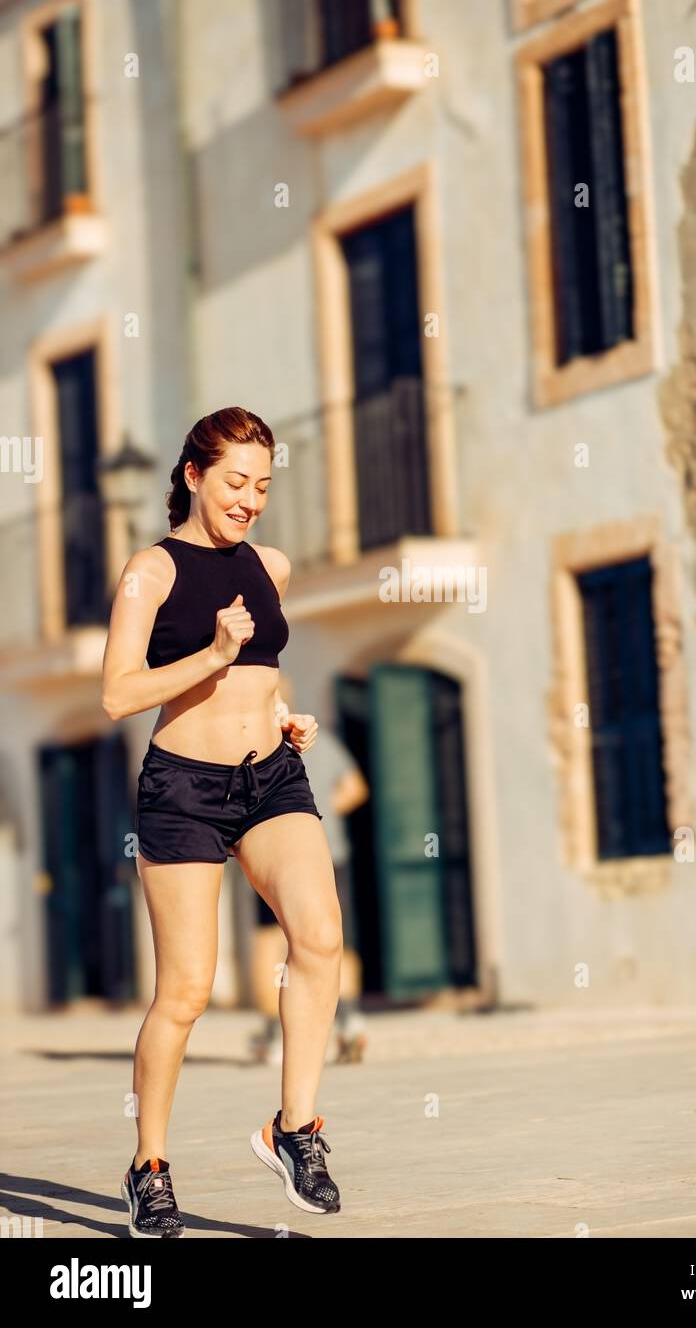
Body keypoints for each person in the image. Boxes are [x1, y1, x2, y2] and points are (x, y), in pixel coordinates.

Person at [102, 406, 342, 1238]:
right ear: (195, 475)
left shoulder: (269, 565)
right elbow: (117, 693)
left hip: (270, 778)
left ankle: (295, 1129)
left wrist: (284, 715)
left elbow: (264, 677)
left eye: (263, 486)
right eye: (235, 481)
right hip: (184, 791)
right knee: (187, 991)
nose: (249, 499)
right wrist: (207, 656)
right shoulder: (152, 571)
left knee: (319, 937)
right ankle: (149, 1166)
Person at [248, 703, 369, 1066]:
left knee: (271, 940)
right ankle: (348, 1022)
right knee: (335, 936)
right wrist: (319, 811)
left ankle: (273, 1034)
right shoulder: (322, 740)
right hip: (329, 850)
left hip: (273, 853)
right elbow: (355, 788)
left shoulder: (253, 743)